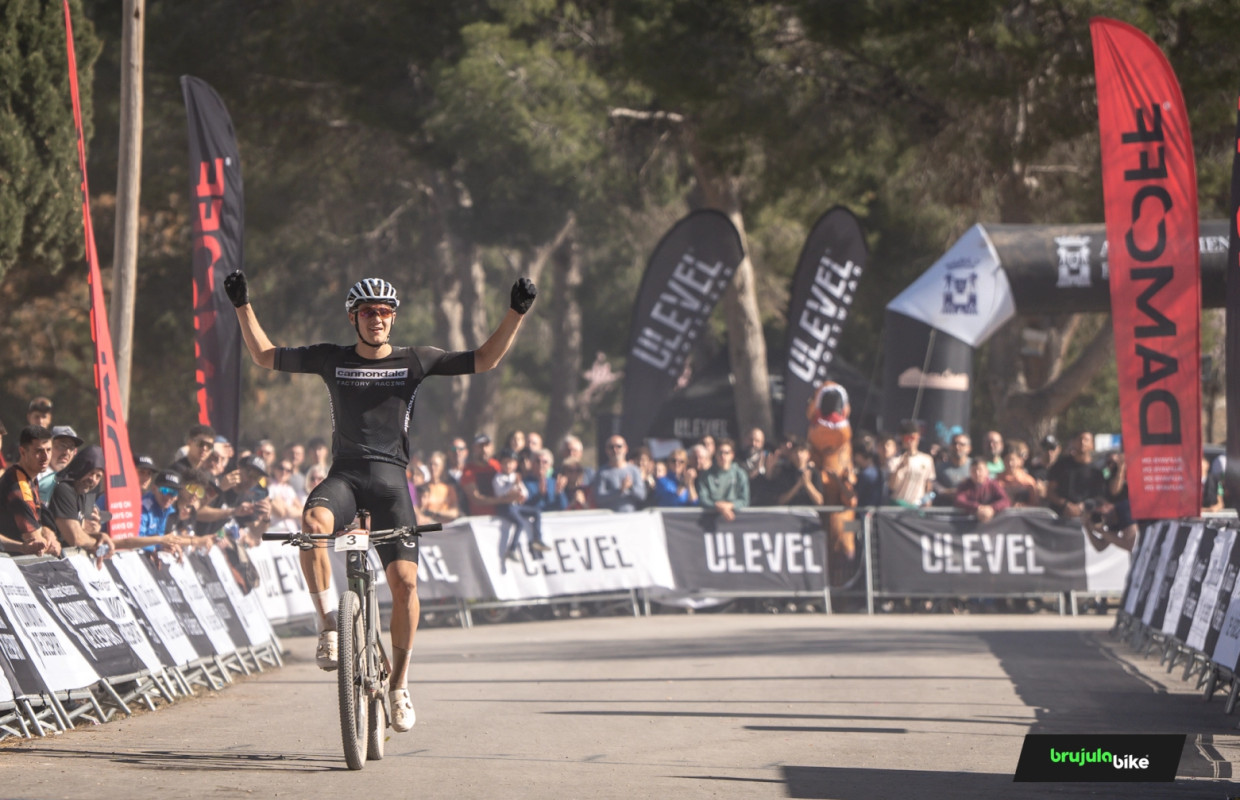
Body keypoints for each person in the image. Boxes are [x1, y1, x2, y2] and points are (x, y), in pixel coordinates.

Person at [226, 268, 535, 733]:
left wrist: (516, 312)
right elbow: (263, 354)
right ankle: (329, 626)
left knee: (406, 584)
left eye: (385, 311)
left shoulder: (416, 360)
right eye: (368, 311)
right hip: (345, 477)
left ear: (394, 317)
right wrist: (242, 305)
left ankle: (400, 685)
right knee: (312, 526)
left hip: (392, 484)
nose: (377, 319)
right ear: (353, 317)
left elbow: (485, 359)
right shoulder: (332, 358)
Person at [0, 426, 62, 556]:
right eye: (39, 451)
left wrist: (49, 534)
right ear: (22, 452)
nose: (45, 456)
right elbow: (36, 541)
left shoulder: (29, 478)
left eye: (49, 450)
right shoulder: (18, 485)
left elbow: (41, 518)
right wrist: (49, 542)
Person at [47, 445, 112, 553]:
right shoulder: (63, 489)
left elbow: (82, 533)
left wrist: (95, 533)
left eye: (98, 476)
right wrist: (98, 542)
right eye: (90, 472)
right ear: (80, 467)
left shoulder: (82, 494)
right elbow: (76, 538)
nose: (93, 479)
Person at [494, 449, 550, 560]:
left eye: (511, 463)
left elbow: (525, 493)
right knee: (520, 523)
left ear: (515, 464)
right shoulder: (498, 478)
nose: (508, 465)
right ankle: (512, 548)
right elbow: (500, 493)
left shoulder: (515, 477)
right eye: (505, 463)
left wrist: (520, 491)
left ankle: (537, 539)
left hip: (516, 505)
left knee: (536, 512)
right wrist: (512, 487)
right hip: (506, 507)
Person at [1046, 431, 1108, 524]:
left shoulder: (1098, 470)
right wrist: (1066, 504)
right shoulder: (1061, 465)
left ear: (1092, 445)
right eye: (1079, 439)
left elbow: (1101, 497)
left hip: (1087, 519)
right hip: (1060, 517)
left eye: (1086, 440)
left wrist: (1082, 507)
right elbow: (1050, 492)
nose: (1082, 442)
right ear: (1073, 443)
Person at [696, 437, 750, 521]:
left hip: (735, 519)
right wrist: (717, 506)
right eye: (720, 452)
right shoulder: (706, 475)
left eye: (726, 453)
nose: (723, 456)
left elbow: (744, 500)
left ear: (732, 455)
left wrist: (730, 506)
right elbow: (703, 499)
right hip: (709, 518)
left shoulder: (740, 474)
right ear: (715, 454)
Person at [887, 420, 936, 507]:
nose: (910, 441)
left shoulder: (927, 460)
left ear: (918, 438)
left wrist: (927, 499)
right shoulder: (895, 460)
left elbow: (928, 484)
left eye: (913, 438)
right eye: (906, 438)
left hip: (917, 506)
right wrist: (899, 468)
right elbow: (891, 486)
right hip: (898, 505)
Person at [592, 435, 645, 512]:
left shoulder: (634, 470)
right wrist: (619, 491)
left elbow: (642, 495)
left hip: (631, 516)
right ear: (606, 450)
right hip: (609, 517)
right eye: (611, 447)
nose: (615, 450)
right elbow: (599, 498)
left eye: (619, 446)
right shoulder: (601, 472)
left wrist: (630, 488)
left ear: (625, 449)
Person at [953, 458, 1011, 522]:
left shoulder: (993, 484)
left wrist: (991, 508)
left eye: (980, 470)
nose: (977, 473)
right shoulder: (965, 485)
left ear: (986, 471)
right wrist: (977, 507)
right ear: (970, 472)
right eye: (974, 470)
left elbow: (1005, 500)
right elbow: (959, 500)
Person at [37, 425, 83, 504]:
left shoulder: (75, 479)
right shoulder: (36, 476)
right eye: (62, 446)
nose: (67, 452)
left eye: (71, 448)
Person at [769, 441, 824, 506]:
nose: (798, 454)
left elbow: (819, 501)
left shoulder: (814, 473)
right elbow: (780, 501)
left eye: (802, 451)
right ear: (791, 455)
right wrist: (797, 485)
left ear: (808, 455)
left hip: (808, 510)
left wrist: (807, 483)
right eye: (796, 451)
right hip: (789, 510)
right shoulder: (785, 472)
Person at [458, 434, 501, 518]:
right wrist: (504, 500)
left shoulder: (497, 465)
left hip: (499, 517)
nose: (484, 450)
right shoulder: (468, 471)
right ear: (474, 448)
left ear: (492, 448)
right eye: (480, 446)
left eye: (487, 446)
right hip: (478, 519)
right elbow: (476, 499)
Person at [416, 451, 461, 524]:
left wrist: (436, 513)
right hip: (428, 526)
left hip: (446, 526)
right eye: (430, 464)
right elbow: (418, 511)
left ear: (442, 467)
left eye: (436, 465)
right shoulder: (422, 487)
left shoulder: (449, 488)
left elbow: (455, 513)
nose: (432, 467)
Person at [996, 440, 1041, 507]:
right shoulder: (997, 481)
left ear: (1019, 460)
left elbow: (1035, 503)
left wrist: (1023, 506)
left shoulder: (1028, 481)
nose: (1010, 463)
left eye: (1013, 460)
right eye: (1007, 460)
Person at [932, 433, 971, 507]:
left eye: (962, 444)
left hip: (969, 509)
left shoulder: (974, 467)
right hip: (945, 508)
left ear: (969, 448)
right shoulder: (940, 467)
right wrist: (945, 491)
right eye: (954, 444)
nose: (957, 447)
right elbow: (933, 484)